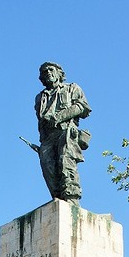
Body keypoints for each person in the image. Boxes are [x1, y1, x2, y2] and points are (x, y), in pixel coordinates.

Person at [34, 61, 91, 202]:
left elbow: (83, 107)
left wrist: (59, 117)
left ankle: (72, 199)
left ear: (59, 73)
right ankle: (58, 198)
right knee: (48, 166)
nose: (48, 73)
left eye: (51, 69)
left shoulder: (72, 88)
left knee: (66, 162)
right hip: (48, 137)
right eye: (44, 71)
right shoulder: (40, 98)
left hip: (65, 131)